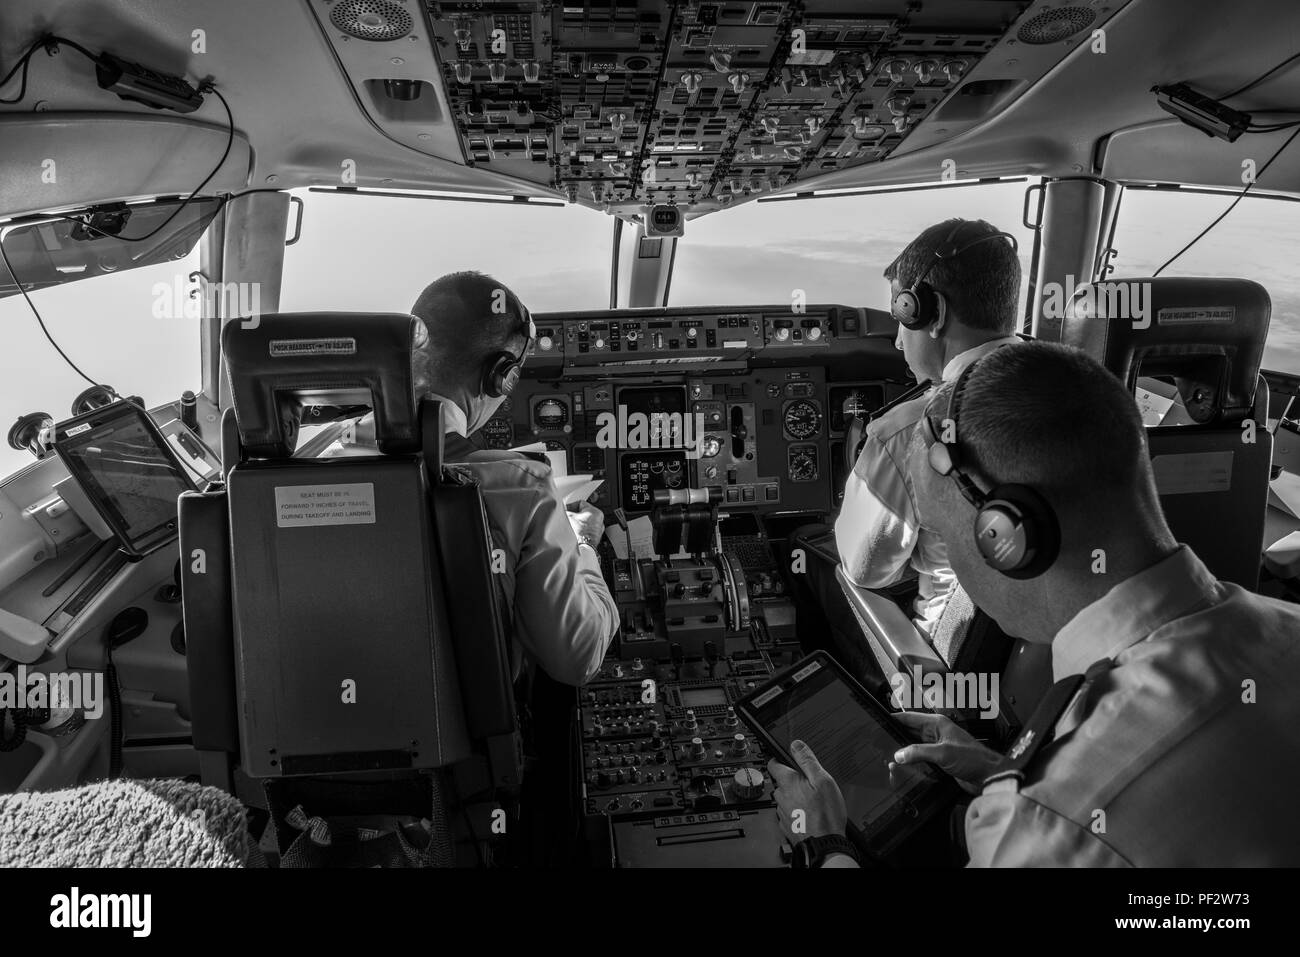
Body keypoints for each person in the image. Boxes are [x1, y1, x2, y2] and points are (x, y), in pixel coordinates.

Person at [772, 341, 1300, 866]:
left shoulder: (1051, 834)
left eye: (946, 538)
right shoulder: (1284, 622)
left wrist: (827, 845)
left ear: (1007, 536)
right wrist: (1006, 772)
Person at [350, 270, 618, 686]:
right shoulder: (519, 485)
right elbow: (577, 657)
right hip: (462, 747)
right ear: (501, 376)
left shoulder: (301, 458)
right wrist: (583, 547)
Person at [790, 219, 1022, 687]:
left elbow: (867, 570)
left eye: (901, 320)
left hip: (949, 661)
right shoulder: (1078, 387)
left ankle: (855, 722)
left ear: (932, 314)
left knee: (809, 548)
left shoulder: (912, 429)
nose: (898, 341)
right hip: (1039, 662)